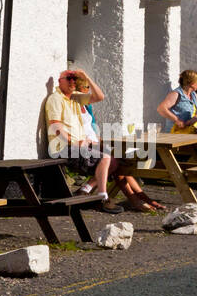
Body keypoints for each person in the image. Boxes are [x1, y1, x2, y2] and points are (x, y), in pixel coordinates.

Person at [44, 69, 163, 213]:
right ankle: (102, 198)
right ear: (60, 80)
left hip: (82, 144)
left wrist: (86, 76)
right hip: (65, 147)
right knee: (107, 158)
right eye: (69, 78)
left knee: (117, 158)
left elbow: (99, 96)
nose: (72, 81)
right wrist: (73, 142)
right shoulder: (56, 99)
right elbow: (55, 126)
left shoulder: (75, 98)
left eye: (75, 79)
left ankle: (92, 191)